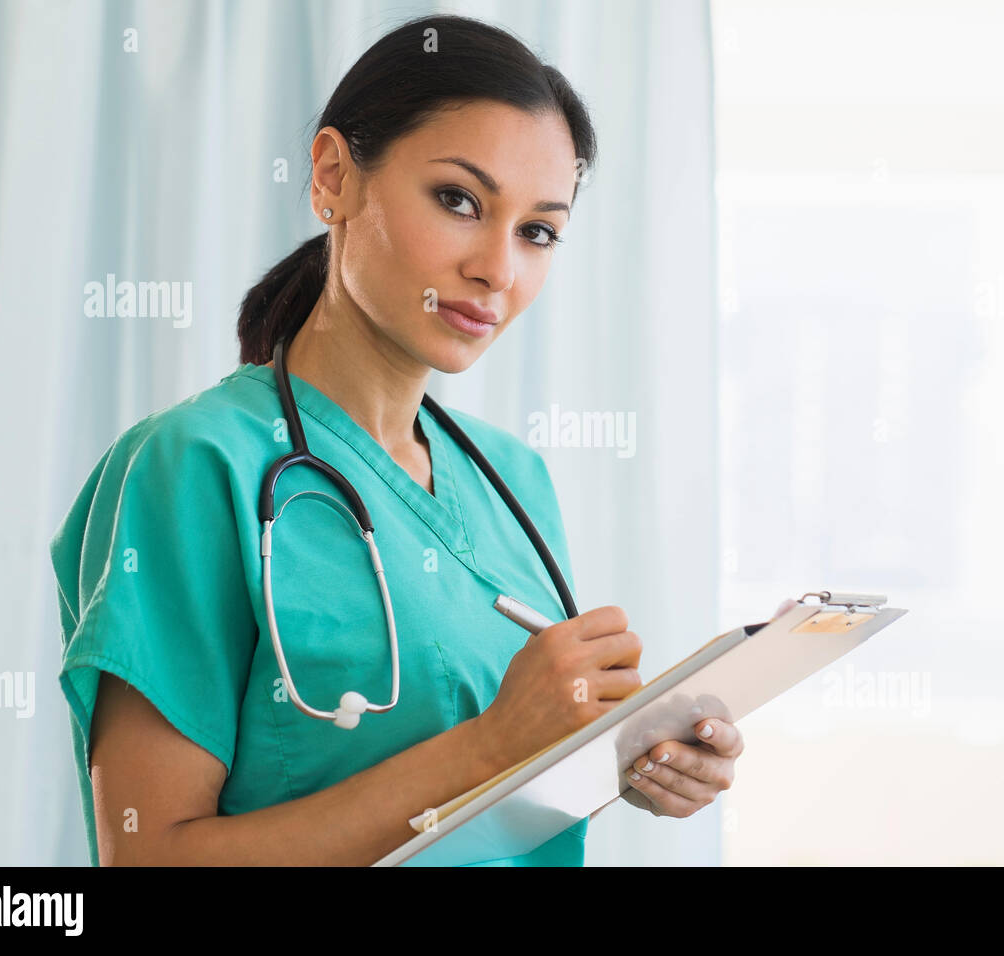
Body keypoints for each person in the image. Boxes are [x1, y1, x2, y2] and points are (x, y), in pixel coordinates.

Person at [49, 13, 746, 867]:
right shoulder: (193, 467)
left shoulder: (513, 483)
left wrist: (618, 759)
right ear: (335, 177)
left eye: (538, 231)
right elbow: (149, 858)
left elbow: (500, 808)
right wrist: (492, 744)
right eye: (460, 201)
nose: (498, 268)